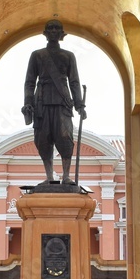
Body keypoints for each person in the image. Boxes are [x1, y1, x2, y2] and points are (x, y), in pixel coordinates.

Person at [22, 20, 86, 184]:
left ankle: (66, 176)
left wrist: (79, 105)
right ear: (45, 32)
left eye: (57, 28)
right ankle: (49, 177)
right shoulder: (37, 55)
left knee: (65, 137)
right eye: (50, 28)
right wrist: (28, 102)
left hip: (62, 102)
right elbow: (29, 82)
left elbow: (74, 82)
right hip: (41, 102)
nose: (53, 31)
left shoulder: (68, 56)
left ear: (62, 33)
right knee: (43, 139)